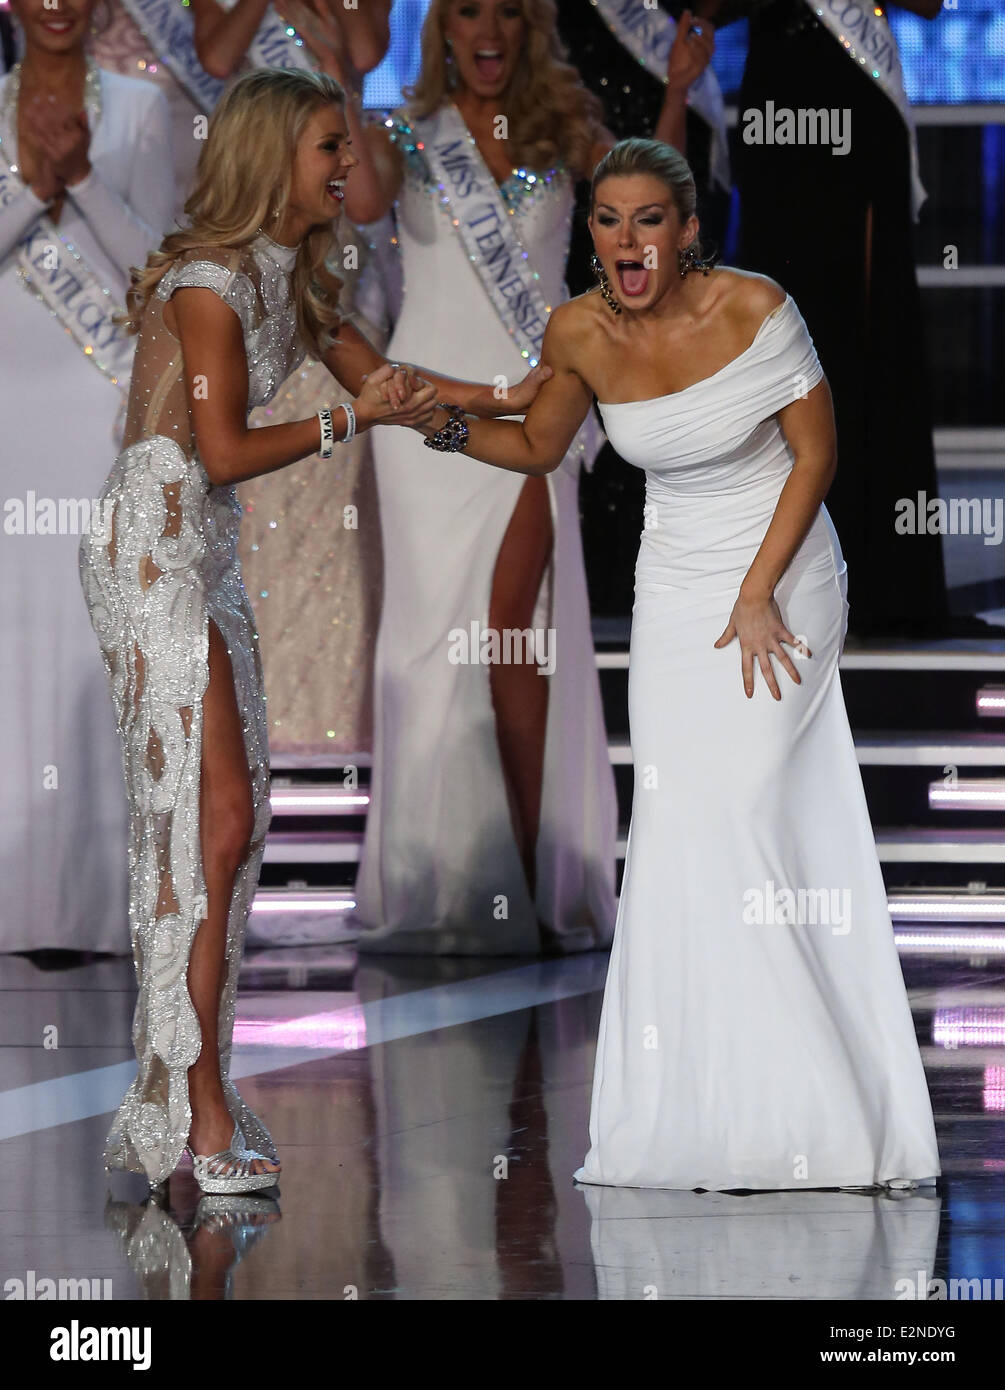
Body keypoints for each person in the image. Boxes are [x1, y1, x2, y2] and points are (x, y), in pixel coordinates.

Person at [409, 138, 941, 1190]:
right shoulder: (579, 330)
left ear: (688, 228)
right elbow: (535, 444)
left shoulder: (754, 308)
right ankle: (703, 1110)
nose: (626, 240)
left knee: (739, 813)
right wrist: (443, 428)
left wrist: (755, 593)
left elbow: (819, 455)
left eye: (648, 219)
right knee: (681, 833)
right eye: (607, 220)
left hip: (782, 578)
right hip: (672, 595)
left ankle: (819, 1110)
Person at [78, 67, 548, 1193]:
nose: (350, 163)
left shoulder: (293, 280)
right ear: (272, 156)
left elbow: (396, 383)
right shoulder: (205, 282)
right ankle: (189, 1107)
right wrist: (353, 416)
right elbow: (227, 447)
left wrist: (530, 389)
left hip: (209, 547)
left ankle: (186, 1089)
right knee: (212, 818)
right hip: (153, 552)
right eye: (331, 145)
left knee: (233, 832)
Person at [340, 0, 639, 956]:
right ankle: (453, 885)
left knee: (512, 630)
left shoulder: (568, 129)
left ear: (528, 26)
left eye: (507, 10)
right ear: (442, 29)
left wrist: (675, 95)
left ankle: (526, 879)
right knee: (429, 653)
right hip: (424, 420)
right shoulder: (403, 138)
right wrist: (346, 76)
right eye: (469, 8)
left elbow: (652, 218)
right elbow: (355, 200)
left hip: (532, 414)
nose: (489, 28)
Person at [0, 0, 173, 954]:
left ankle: (109, 909)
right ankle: (16, 896)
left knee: (96, 637)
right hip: (8, 418)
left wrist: (81, 182)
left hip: (100, 409)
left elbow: (160, 273)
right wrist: (31, 188)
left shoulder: (143, 112)